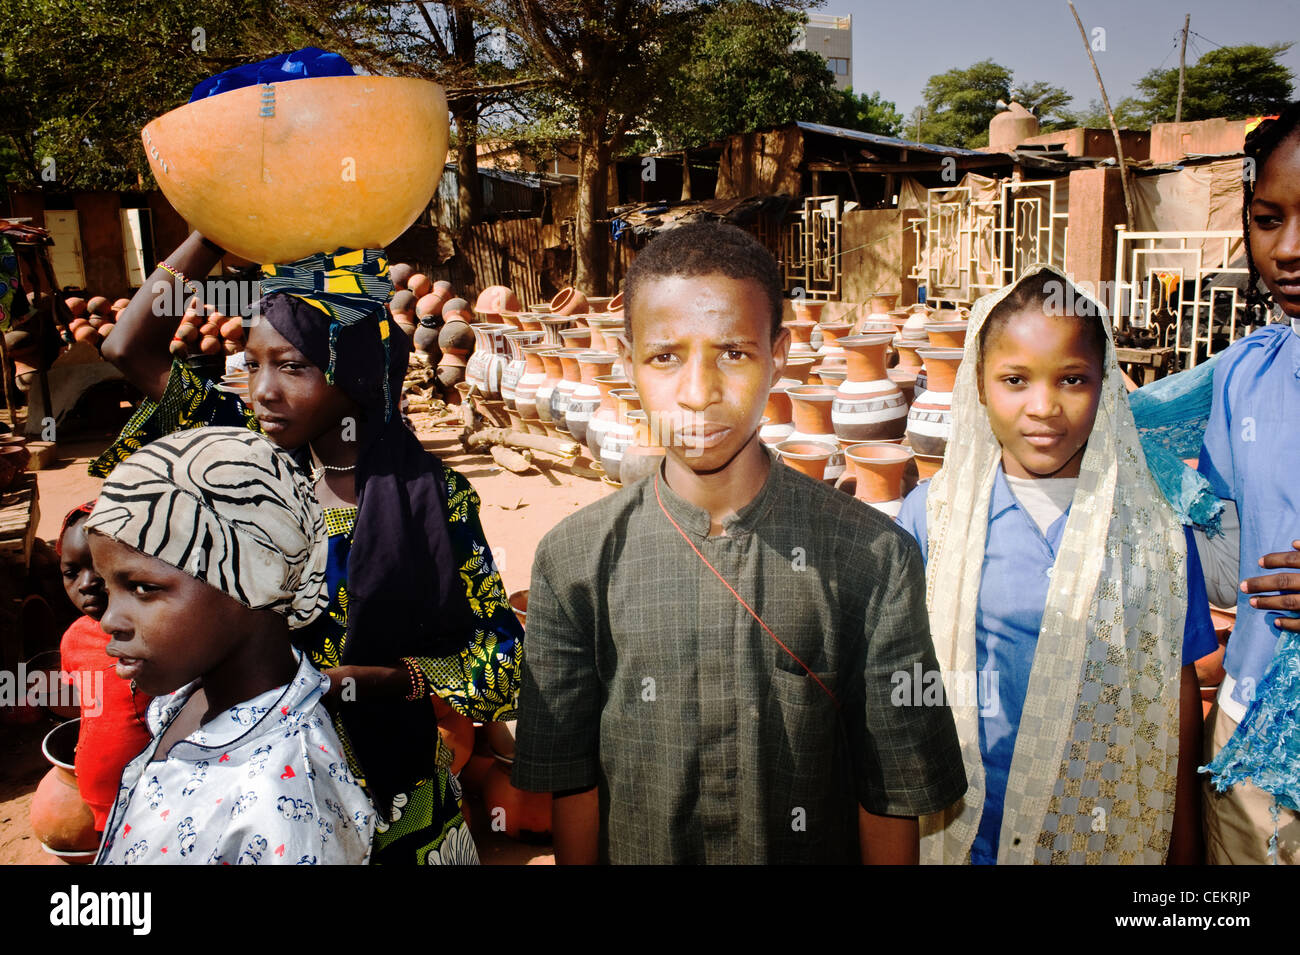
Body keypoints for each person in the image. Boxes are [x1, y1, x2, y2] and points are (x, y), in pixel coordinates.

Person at [512, 222, 966, 864]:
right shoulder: (574, 560)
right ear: (626, 361)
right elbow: (573, 784)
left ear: (779, 354)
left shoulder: (874, 558)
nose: (698, 395)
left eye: (734, 352)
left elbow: (889, 793)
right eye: (665, 356)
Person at [896, 264, 1217, 865]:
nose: (1043, 406)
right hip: (967, 827)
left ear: (1105, 385)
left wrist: (1184, 845)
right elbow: (895, 681)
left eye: (1071, 379)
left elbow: (1174, 687)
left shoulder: (1154, 528)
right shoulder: (932, 518)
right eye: (1015, 379)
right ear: (979, 385)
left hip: (1102, 827)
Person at [88, 428, 374, 865]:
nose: (109, 619)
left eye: (143, 588)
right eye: (108, 588)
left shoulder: (285, 801)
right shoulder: (192, 698)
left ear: (252, 578)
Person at [1193, 102, 1300, 864]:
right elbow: (1230, 567)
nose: (1289, 249)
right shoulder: (1243, 375)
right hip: (1248, 748)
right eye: (1268, 218)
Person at [57, 500, 153, 837]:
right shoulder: (74, 640)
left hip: (156, 796)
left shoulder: (159, 636)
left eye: (98, 567)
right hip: (101, 799)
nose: (86, 583)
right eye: (71, 572)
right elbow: (91, 708)